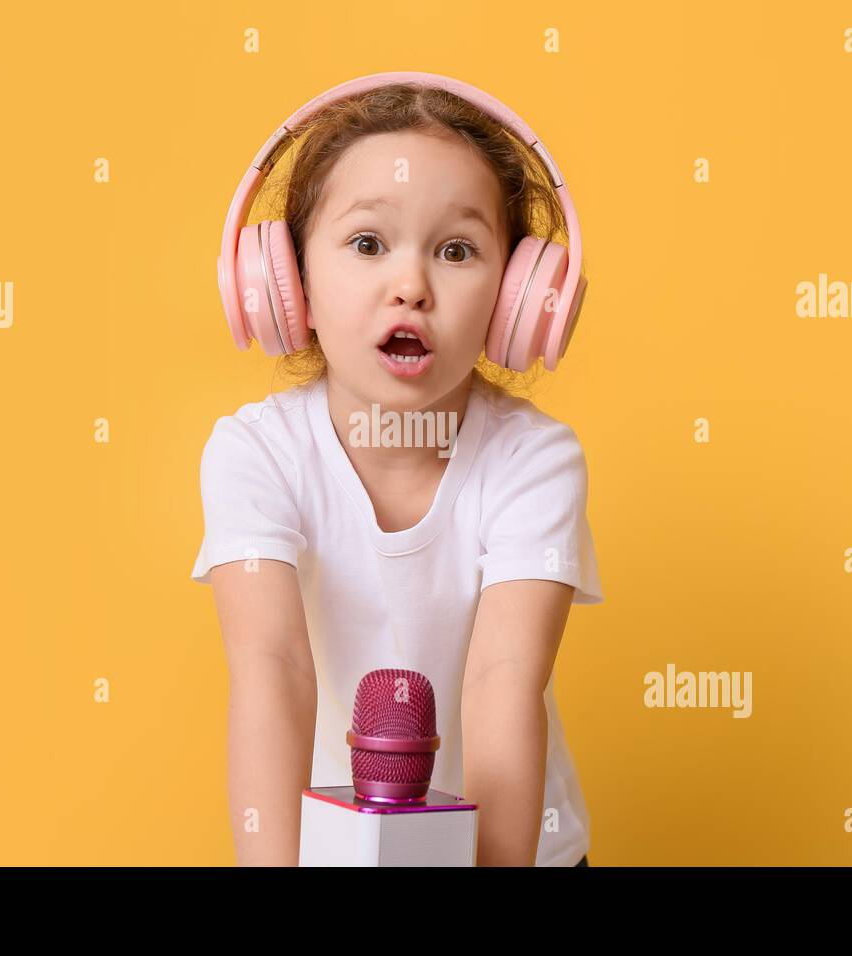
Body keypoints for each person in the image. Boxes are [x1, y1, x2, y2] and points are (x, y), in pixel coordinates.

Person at [194, 77, 602, 866]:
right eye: (368, 244)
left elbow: (502, 681)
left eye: (457, 250)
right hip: (333, 848)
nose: (410, 285)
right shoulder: (258, 454)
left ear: (516, 301)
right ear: (290, 286)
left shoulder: (534, 460)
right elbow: (271, 670)